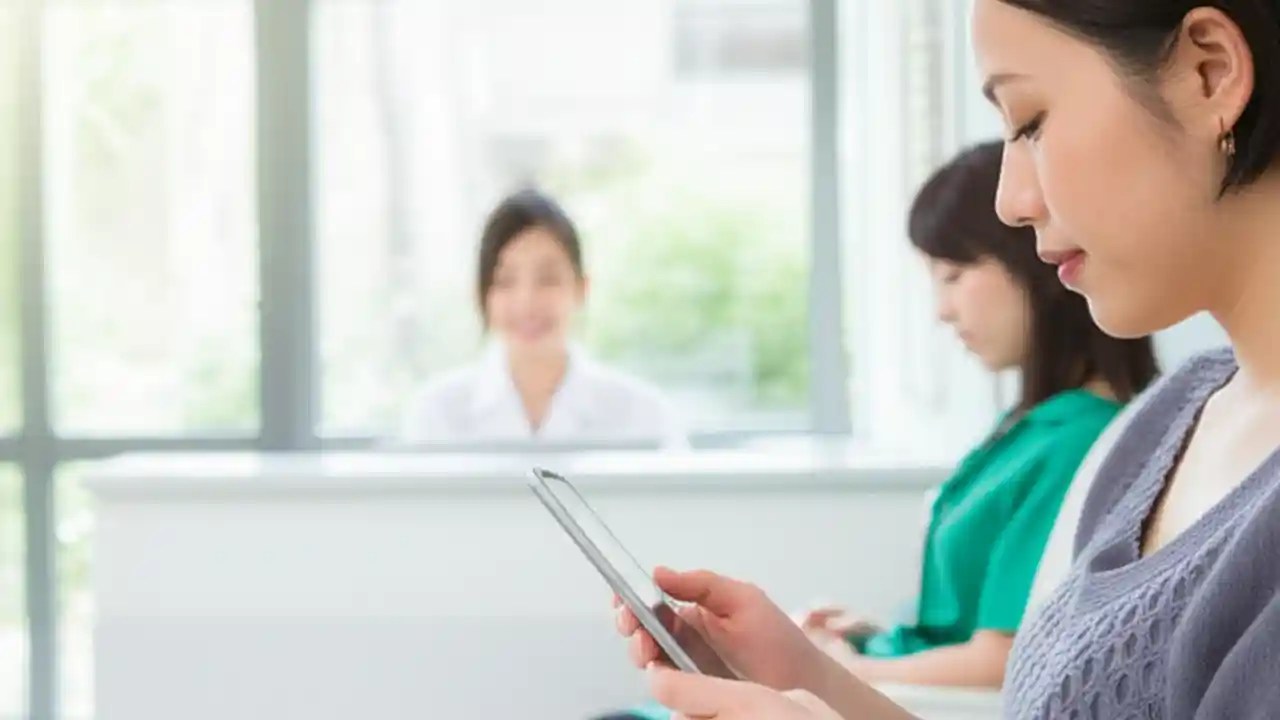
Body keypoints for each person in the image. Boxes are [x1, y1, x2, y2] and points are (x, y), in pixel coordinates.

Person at [612, 1, 1280, 718]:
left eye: (1030, 121)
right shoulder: (1159, 427)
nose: (1010, 202)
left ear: (1210, 74)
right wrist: (808, 681)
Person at [597, 142, 1158, 720]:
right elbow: (962, 625)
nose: (941, 309)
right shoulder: (1031, 429)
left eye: (954, 275)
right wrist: (863, 638)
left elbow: (1004, 657)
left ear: (1037, 265)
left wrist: (838, 669)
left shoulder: (1078, 441)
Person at [400, 189, 684, 448]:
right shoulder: (436, 416)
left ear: (581, 288)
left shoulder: (646, 417)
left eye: (548, 279)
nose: (527, 301)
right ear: (482, 295)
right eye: (505, 281)